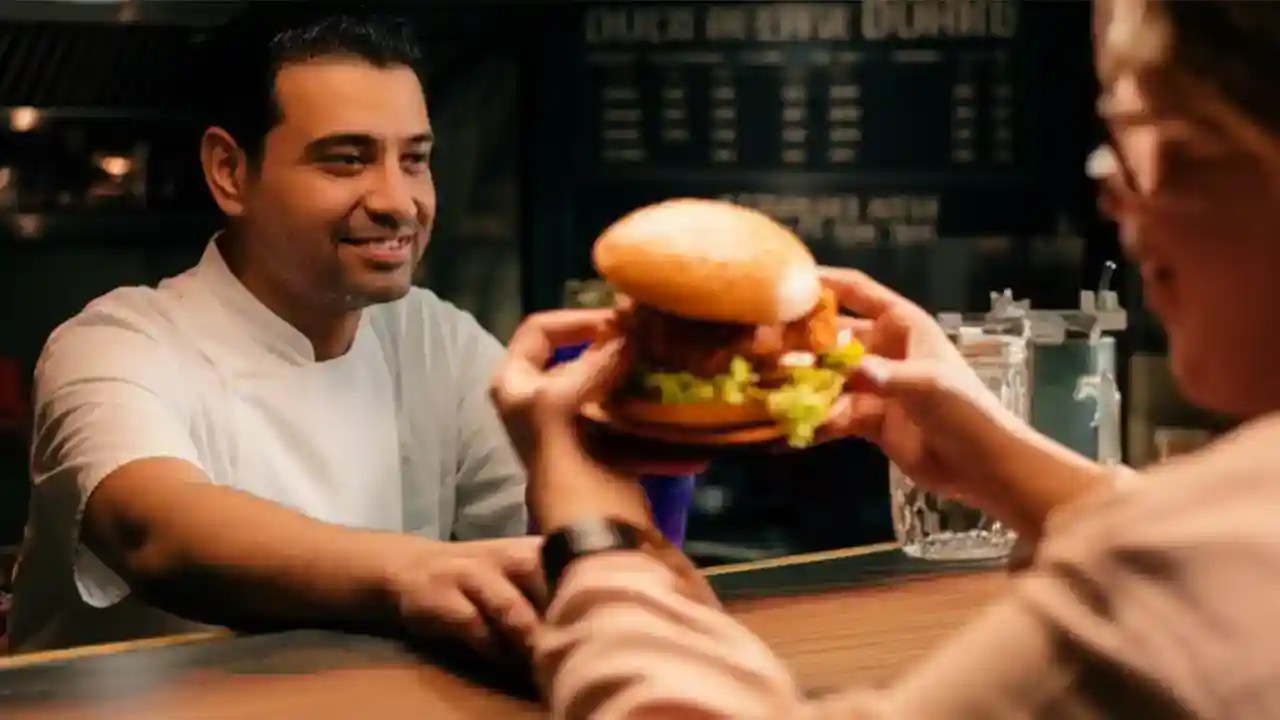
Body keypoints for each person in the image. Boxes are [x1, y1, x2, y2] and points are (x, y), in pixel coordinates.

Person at [489, 0, 1280, 716]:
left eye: (1149, 141)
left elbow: (1186, 577)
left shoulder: (1161, 588)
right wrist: (1013, 472)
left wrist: (598, 535)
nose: (1113, 197)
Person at [9, 10, 539, 656]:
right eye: (347, 160)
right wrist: (419, 573)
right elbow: (157, 531)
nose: (399, 200)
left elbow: (547, 515)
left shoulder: (438, 341)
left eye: (415, 160)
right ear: (230, 172)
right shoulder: (114, 344)